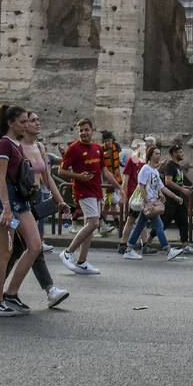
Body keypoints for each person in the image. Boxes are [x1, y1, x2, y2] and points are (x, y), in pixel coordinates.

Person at [1, 111, 70, 306]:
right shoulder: (17, 148)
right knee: (32, 245)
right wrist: (8, 208)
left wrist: (59, 201)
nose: (37, 123)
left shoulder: (39, 146)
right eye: (32, 120)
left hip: (36, 200)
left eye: (38, 119)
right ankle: (49, 289)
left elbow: (47, 178)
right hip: (20, 203)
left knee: (21, 248)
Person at [0, 105, 43, 318]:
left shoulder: (16, 145)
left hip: (21, 202)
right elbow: (0, 178)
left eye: (27, 121)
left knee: (34, 246)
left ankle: (11, 294)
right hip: (6, 204)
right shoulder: (3, 145)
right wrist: (6, 209)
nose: (26, 125)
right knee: (5, 252)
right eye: (22, 122)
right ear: (11, 123)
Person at [59, 118, 122, 275]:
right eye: (81, 130)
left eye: (86, 130)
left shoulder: (97, 148)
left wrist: (119, 186)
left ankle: (82, 262)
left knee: (89, 227)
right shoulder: (73, 149)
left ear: (92, 131)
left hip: (96, 191)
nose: (84, 133)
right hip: (82, 190)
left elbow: (105, 171)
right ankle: (68, 252)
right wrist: (79, 176)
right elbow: (61, 171)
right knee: (94, 223)